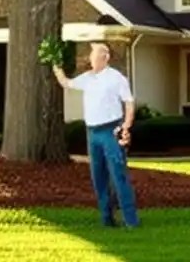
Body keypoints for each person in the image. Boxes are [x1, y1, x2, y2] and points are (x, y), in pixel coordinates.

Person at [52, 42, 140, 228]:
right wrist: (56, 66)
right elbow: (67, 83)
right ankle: (107, 219)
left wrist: (126, 126)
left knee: (118, 175)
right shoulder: (87, 78)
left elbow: (129, 103)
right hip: (92, 133)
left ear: (105, 57)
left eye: (93, 54)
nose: (89, 57)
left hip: (111, 131)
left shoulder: (117, 78)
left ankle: (131, 220)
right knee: (98, 177)